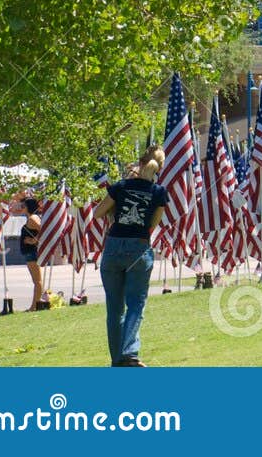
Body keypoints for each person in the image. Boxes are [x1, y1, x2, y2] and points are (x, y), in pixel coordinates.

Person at [93, 146, 168, 367]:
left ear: (141, 161)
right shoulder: (159, 192)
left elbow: (98, 213)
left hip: (114, 247)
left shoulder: (120, 186)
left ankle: (118, 360)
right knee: (136, 303)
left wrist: (113, 212)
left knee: (114, 308)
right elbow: (153, 224)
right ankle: (129, 354)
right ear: (159, 168)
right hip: (139, 248)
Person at [18, 196, 48, 310]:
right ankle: (36, 305)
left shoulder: (33, 218)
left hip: (32, 253)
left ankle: (34, 307)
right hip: (30, 253)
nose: (21, 208)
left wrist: (33, 240)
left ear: (29, 206)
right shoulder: (32, 217)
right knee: (37, 281)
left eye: (23, 206)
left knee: (37, 281)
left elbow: (43, 230)